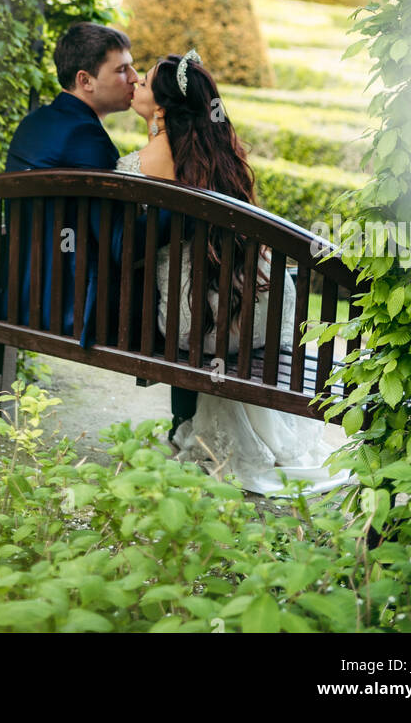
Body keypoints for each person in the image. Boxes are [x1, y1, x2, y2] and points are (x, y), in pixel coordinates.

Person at [117, 48, 351, 497]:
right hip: (257, 312)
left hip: (195, 321)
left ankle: (200, 431)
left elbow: (129, 248)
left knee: (178, 287)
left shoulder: (141, 163)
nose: (135, 85)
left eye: (143, 82)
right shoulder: (218, 153)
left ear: (161, 108)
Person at [2, 22, 140, 345]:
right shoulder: (86, 137)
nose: (134, 77)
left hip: (18, 297)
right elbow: (121, 243)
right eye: (122, 69)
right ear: (85, 80)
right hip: (68, 310)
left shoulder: (34, 123)